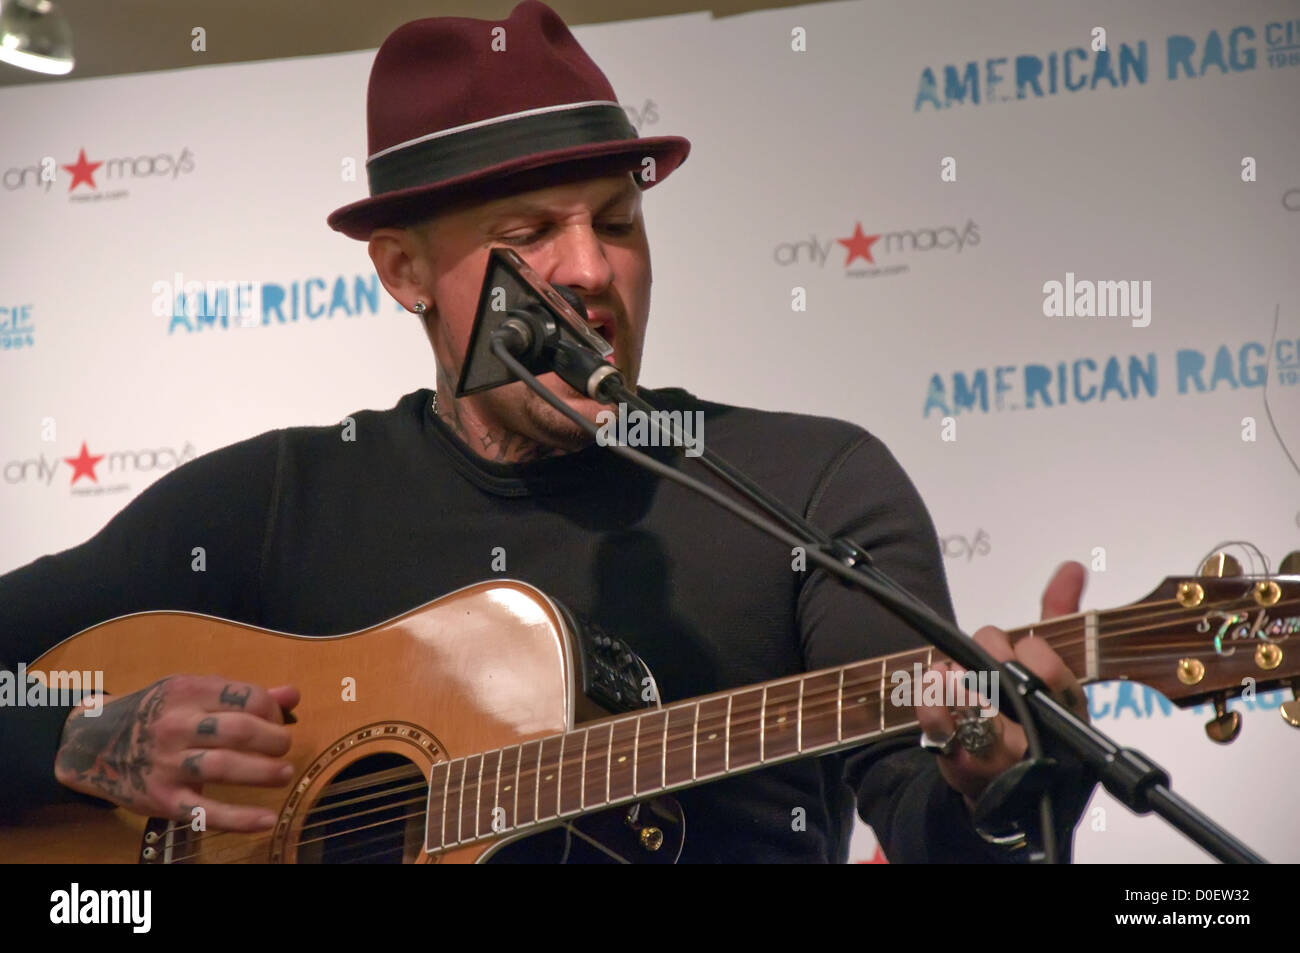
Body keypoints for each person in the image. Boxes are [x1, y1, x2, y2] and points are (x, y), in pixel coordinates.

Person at [0, 0, 1095, 862]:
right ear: (404, 270)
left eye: (617, 221)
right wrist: (78, 744)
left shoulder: (813, 488)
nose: (587, 267)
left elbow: (934, 830)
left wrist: (997, 778)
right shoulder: (279, 499)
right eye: (528, 233)